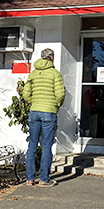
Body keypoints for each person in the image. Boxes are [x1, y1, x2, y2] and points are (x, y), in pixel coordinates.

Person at [22, 48, 65, 187]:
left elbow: (26, 94)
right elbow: (60, 95)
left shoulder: (33, 73)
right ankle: (44, 179)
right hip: (49, 112)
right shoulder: (55, 74)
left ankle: (29, 179)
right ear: (51, 58)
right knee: (46, 146)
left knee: (32, 146)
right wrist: (56, 106)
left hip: (34, 112)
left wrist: (33, 103)